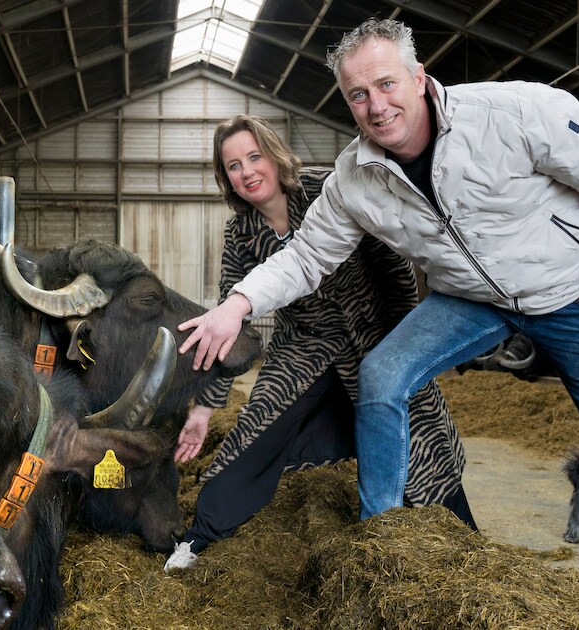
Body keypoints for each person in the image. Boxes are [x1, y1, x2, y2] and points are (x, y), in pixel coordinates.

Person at [176, 18, 579, 609]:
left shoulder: (513, 112)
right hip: (470, 299)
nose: (376, 105)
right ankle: (385, 540)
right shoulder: (354, 178)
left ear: (420, 77)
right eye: (358, 94)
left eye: (387, 84)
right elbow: (309, 256)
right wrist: (236, 305)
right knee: (384, 374)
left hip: (572, 296)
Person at [163, 114, 474, 574]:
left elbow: (392, 266)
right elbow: (236, 330)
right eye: (233, 165)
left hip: (374, 333)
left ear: (273, 155)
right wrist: (205, 410)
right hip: (303, 348)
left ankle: (462, 537)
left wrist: (407, 342)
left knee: (419, 431)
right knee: (253, 434)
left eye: (254, 156)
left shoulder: (327, 189)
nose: (247, 171)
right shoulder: (240, 235)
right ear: (225, 177)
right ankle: (199, 537)